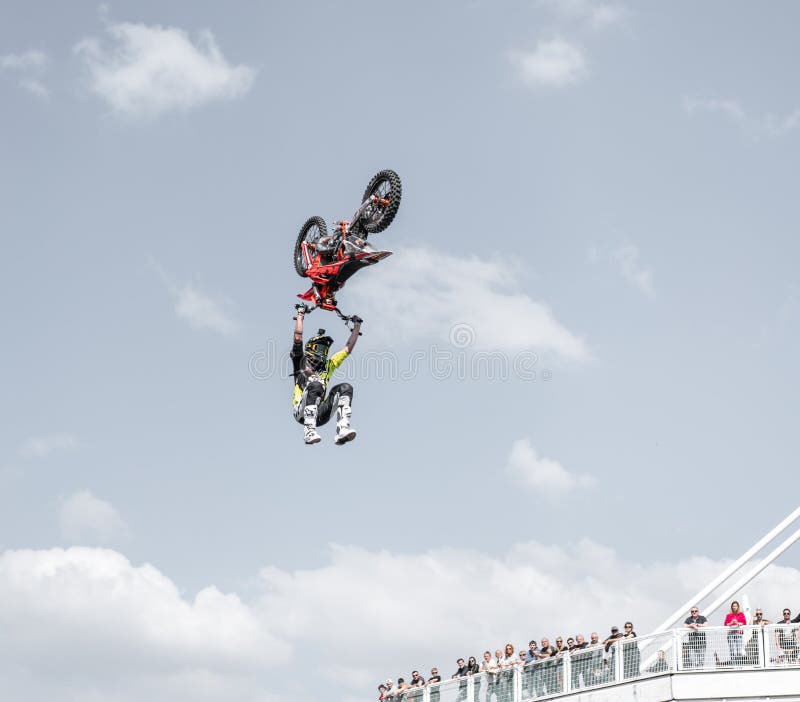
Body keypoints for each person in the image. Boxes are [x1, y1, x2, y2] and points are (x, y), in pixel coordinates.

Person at [291, 305, 361, 444]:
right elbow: (298, 337)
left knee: (346, 387)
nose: (322, 352)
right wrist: (300, 314)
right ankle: (309, 431)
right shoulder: (301, 360)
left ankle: (342, 430)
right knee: (316, 384)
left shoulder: (328, 366)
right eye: (319, 348)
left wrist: (357, 326)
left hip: (321, 414)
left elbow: (347, 349)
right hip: (301, 413)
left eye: (325, 349)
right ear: (311, 348)